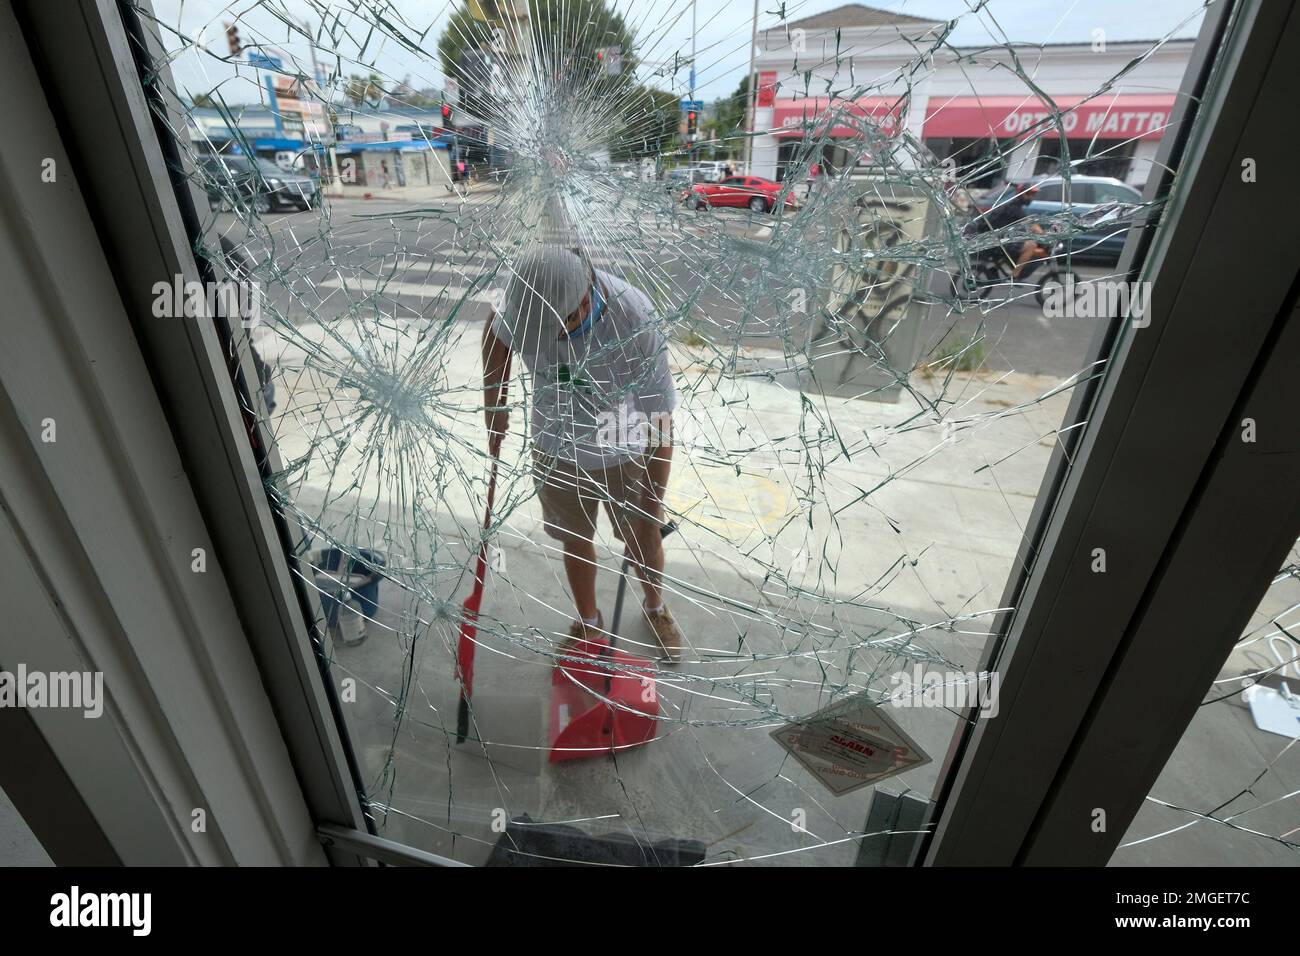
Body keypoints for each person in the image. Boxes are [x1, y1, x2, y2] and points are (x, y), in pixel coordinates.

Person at [481, 247, 684, 662]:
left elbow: (661, 423)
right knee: (574, 541)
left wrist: (653, 503)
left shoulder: (635, 319)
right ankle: (589, 622)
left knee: (643, 537)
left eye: (555, 330)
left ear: (585, 303)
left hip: (624, 448)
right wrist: (494, 407)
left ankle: (655, 607)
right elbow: (494, 336)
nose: (544, 341)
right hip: (555, 446)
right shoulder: (528, 302)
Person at [968, 183, 1047, 279]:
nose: (1030, 198)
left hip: (996, 238)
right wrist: (1044, 235)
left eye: (1032, 195)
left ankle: (995, 268)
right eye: (1028, 194)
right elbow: (1031, 224)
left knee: (1022, 241)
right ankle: (1015, 276)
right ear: (1020, 194)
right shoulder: (1014, 208)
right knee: (1031, 245)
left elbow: (1028, 222)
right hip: (997, 241)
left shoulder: (1014, 206)